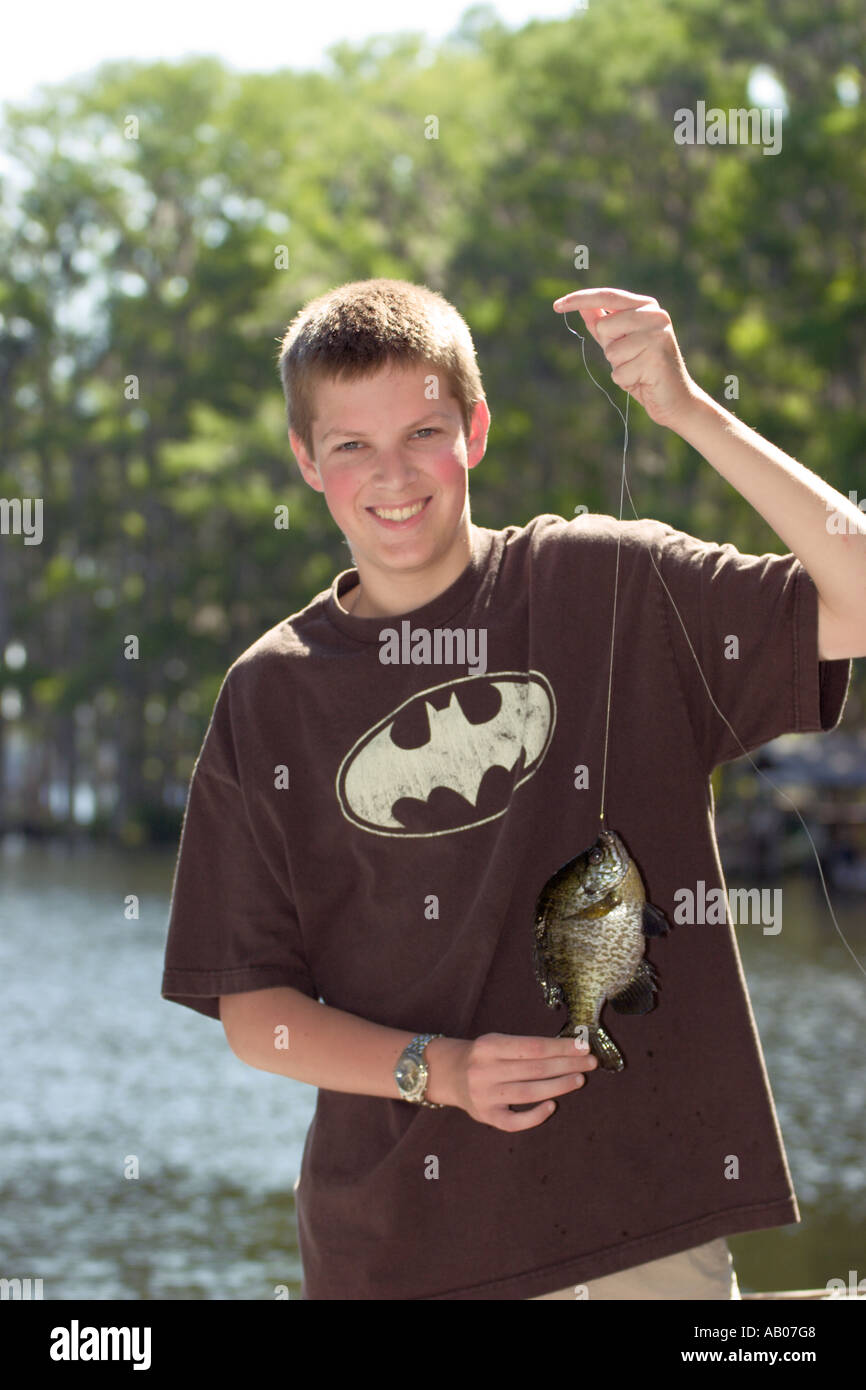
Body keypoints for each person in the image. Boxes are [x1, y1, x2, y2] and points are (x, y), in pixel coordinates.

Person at [161, 278, 860, 1301]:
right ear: (306, 462)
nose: (391, 475)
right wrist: (432, 1070)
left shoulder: (606, 582)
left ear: (475, 430)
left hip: (645, 1213)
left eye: (423, 431)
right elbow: (253, 1013)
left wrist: (684, 409)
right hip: (403, 1250)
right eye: (350, 444)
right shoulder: (271, 693)